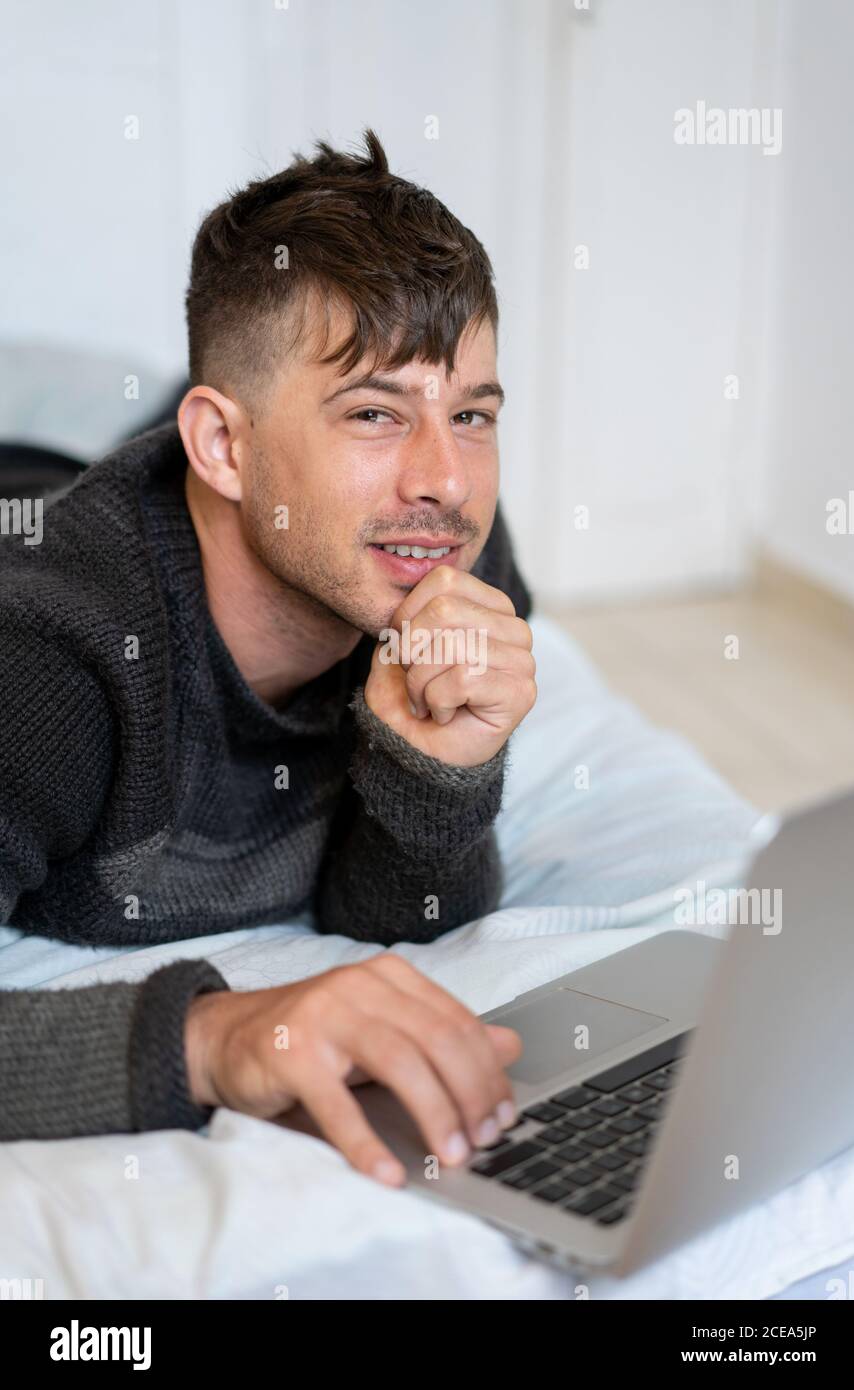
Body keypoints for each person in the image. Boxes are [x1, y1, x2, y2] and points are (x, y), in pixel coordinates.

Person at [0, 129, 536, 1188]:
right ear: (226, 447)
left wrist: (441, 766)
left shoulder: (453, 556)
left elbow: (399, 917)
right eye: (376, 411)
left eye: (469, 413)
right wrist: (219, 1039)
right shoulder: (46, 667)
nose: (447, 480)